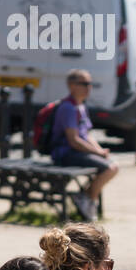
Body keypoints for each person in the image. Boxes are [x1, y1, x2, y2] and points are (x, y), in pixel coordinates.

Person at [50, 69, 119, 221]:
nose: (89, 87)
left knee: (111, 166)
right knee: (110, 168)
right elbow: (74, 140)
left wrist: (99, 150)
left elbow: (86, 135)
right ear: (71, 85)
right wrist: (97, 153)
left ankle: (85, 197)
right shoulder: (68, 108)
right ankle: (87, 199)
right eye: (84, 83)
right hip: (65, 153)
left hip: (77, 151)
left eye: (90, 83)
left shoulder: (81, 106)